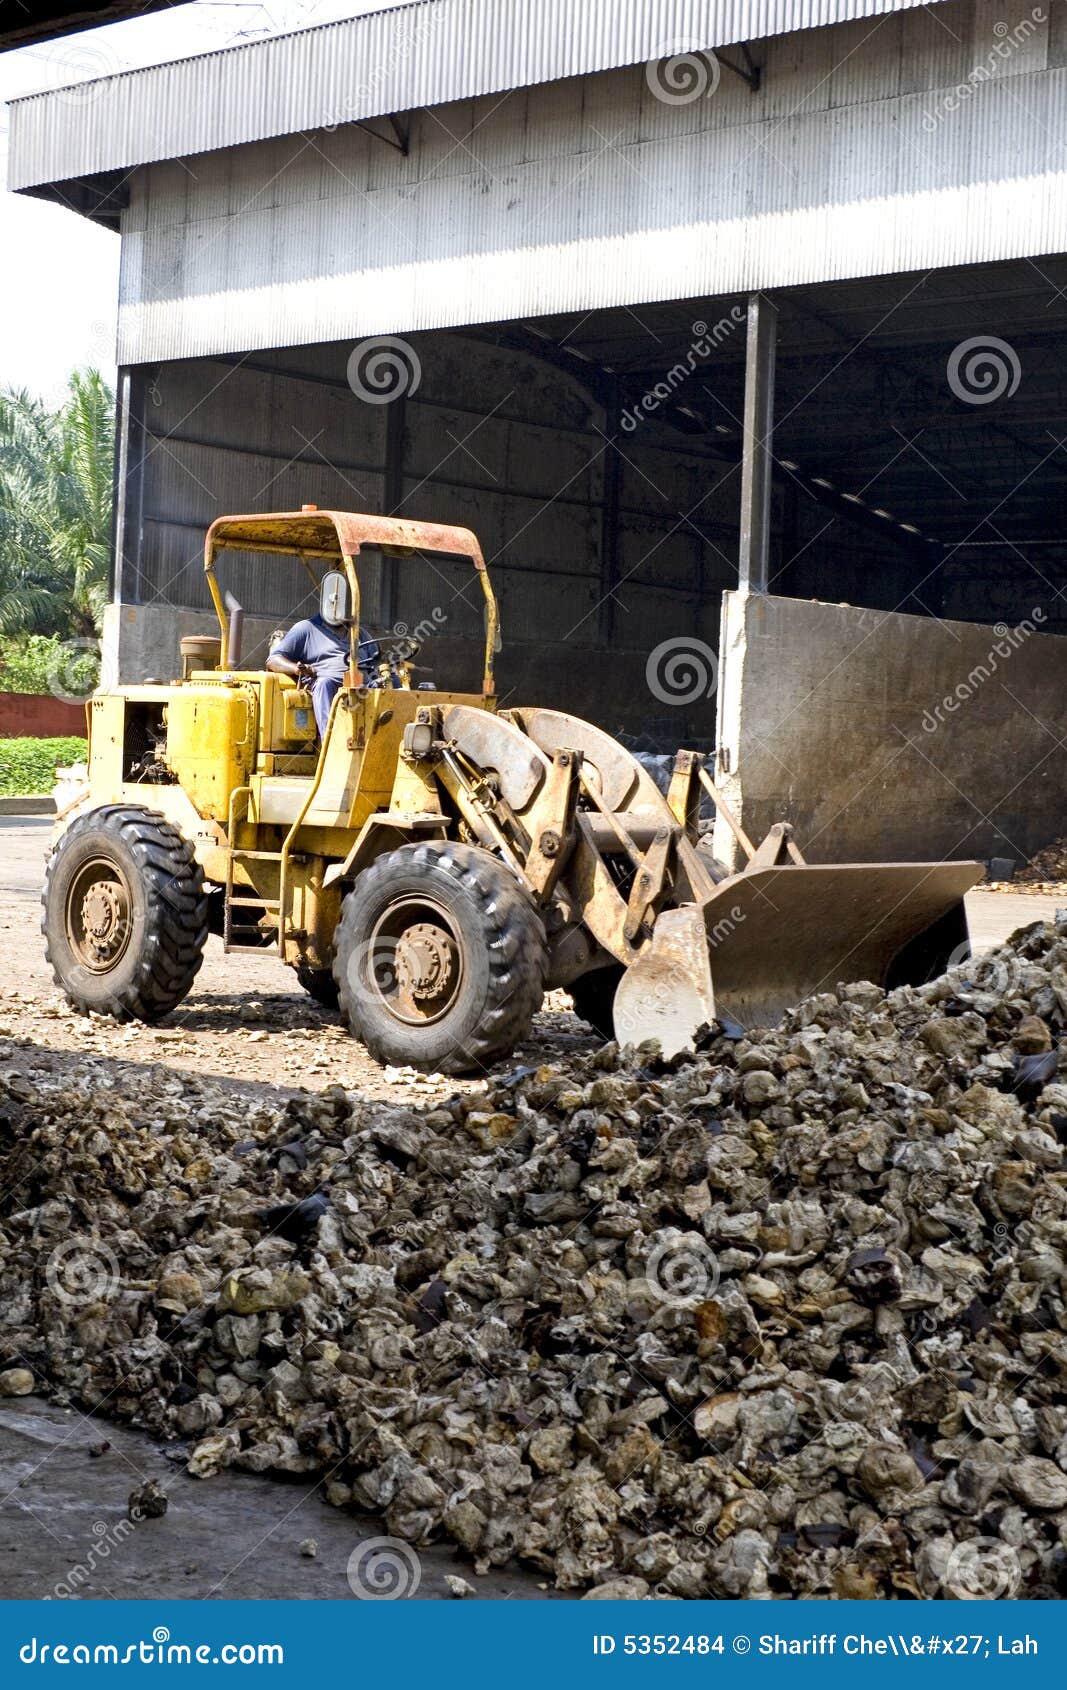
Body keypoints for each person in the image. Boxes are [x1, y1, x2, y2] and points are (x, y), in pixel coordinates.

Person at [266, 611, 382, 738]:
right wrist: (296, 668)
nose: (344, 608)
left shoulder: (360, 634)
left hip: (362, 686)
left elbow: (377, 663)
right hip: (328, 683)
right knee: (325, 684)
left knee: (384, 684)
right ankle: (330, 741)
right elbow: (273, 660)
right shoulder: (306, 628)